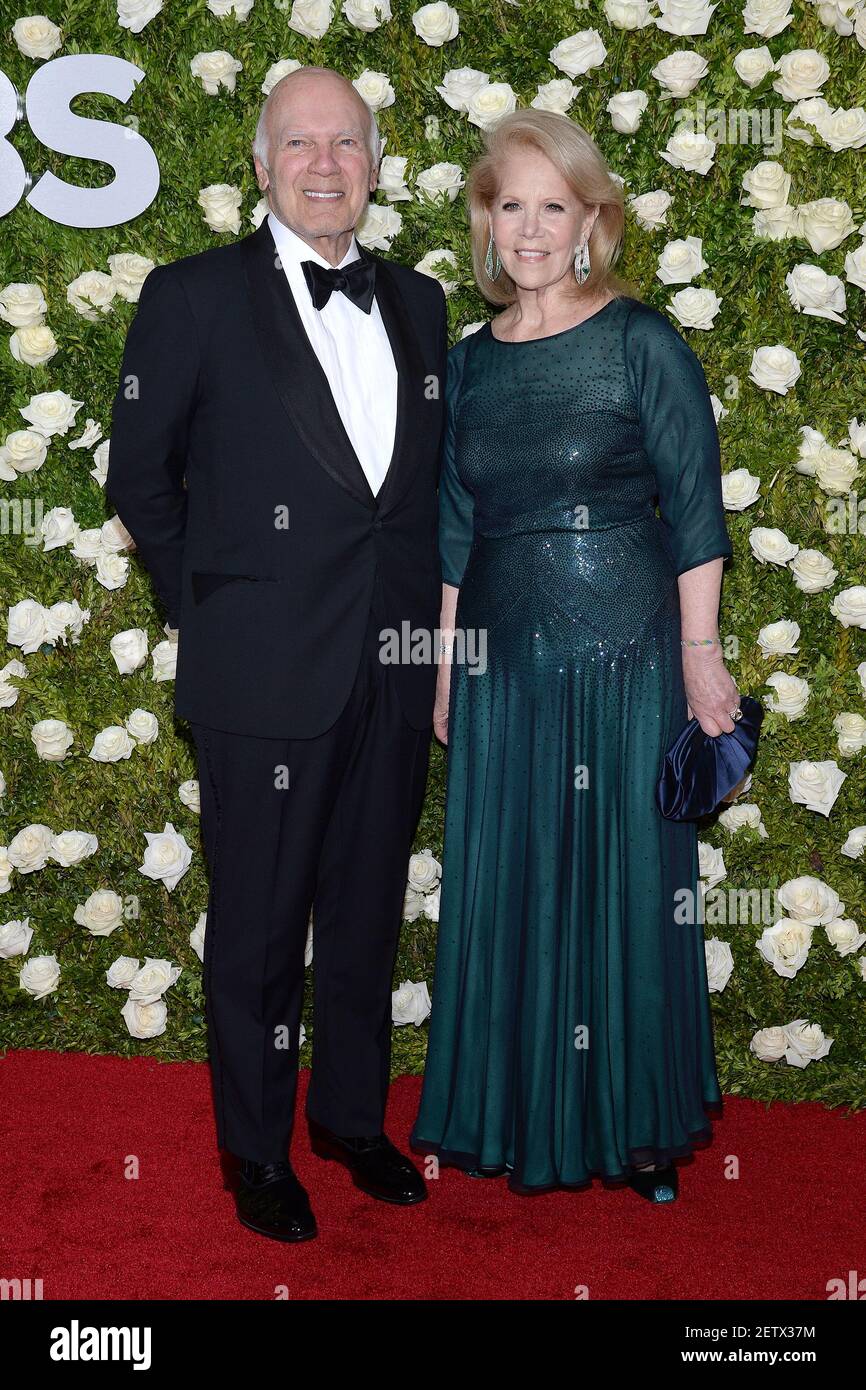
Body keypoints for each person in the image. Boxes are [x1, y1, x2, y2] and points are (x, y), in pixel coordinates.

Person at [107, 66, 447, 1242]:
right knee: (257, 926)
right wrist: (214, 614)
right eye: (298, 143)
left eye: (344, 143)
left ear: (374, 162)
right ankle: (255, 1152)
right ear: (259, 165)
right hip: (260, 676)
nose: (321, 163)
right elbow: (138, 479)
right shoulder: (191, 297)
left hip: (392, 667)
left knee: (364, 909)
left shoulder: (419, 302)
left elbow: (416, 499)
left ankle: (350, 1121)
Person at [411, 109, 738, 1201]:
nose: (532, 228)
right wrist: (447, 660)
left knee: (624, 880)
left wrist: (700, 657)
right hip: (503, 658)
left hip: (627, 651)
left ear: (591, 219)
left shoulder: (640, 340)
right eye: (512, 205)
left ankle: (633, 1124)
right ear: (485, 221)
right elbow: (452, 523)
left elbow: (694, 510)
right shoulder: (465, 365)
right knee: (512, 876)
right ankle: (511, 1111)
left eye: (555, 206)